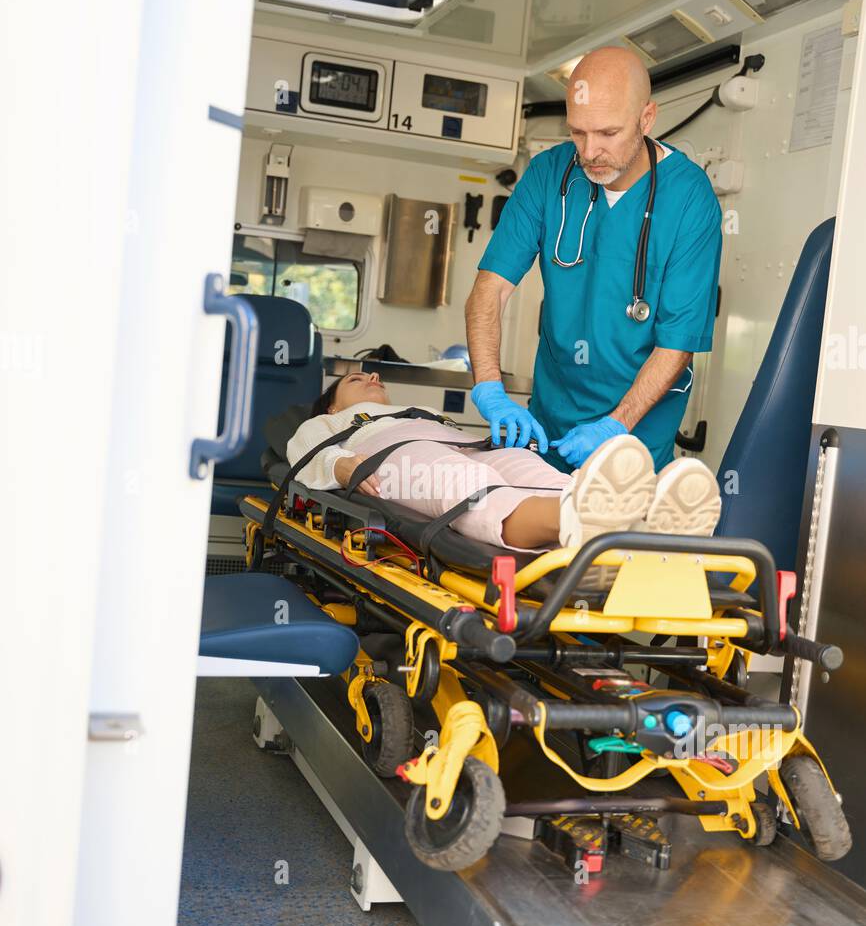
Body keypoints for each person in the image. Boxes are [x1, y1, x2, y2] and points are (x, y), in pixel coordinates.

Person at [465, 45, 722, 472]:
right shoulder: (549, 174)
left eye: (607, 134)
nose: (589, 151)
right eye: (577, 133)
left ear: (646, 119)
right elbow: (489, 288)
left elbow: (679, 343)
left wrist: (614, 426)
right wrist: (489, 388)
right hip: (548, 421)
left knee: (610, 529)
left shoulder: (689, 198)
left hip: (635, 434)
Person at [287, 370, 721, 552]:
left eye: (375, 376)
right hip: (388, 453)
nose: (373, 378)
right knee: (466, 482)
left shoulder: (419, 410)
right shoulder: (333, 426)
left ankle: (647, 520)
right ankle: (579, 519)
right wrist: (342, 467)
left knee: (525, 465)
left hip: (464, 442)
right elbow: (303, 454)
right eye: (357, 378)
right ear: (331, 407)